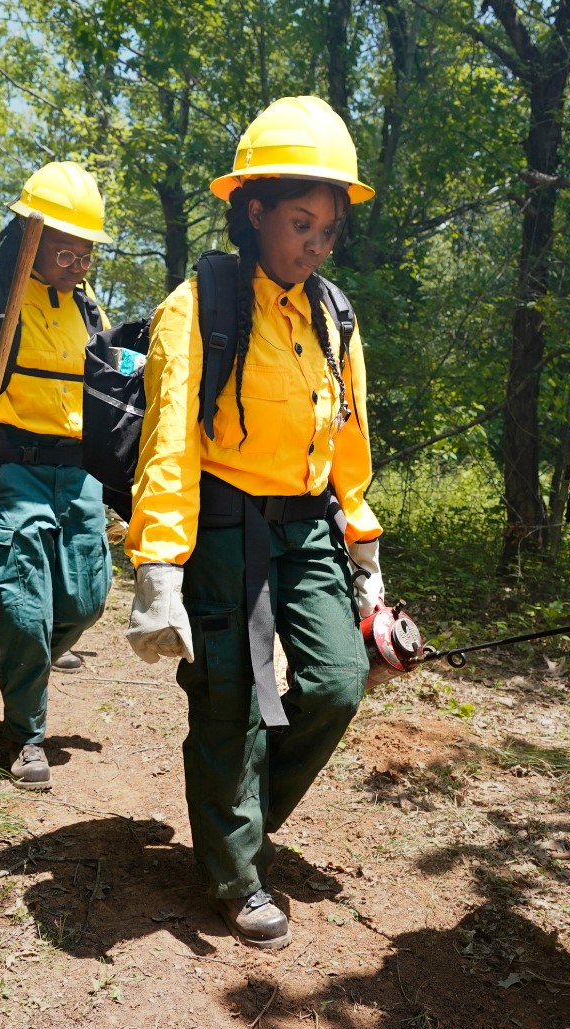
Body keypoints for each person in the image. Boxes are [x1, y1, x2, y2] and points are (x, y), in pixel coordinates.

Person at [123, 98, 384, 951]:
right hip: (224, 522)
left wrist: (366, 553)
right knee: (231, 696)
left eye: (330, 229)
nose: (316, 243)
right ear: (254, 211)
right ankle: (234, 869)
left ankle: (237, 817)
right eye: (301, 222)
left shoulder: (335, 314)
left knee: (337, 683)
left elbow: (350, 441)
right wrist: (158, 570)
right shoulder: (197, 307)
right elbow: (168, 445)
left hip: (308, 523)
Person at [0, 161, 114, 790]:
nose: (79, 260)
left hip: (80, 477)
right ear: (30, 239)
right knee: (26, 606)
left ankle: (21, 666)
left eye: (87, 248)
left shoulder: (89, 312)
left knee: (88, 602)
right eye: (67, 247)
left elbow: (106, 397)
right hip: (13, 471)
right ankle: (26, 731)